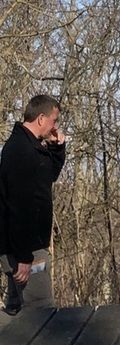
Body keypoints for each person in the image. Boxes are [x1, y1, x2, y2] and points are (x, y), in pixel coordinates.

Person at [0, 94, 66, 314]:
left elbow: (47, 178)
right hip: (27, 249)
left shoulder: (30, 147)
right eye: (53, 120)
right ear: (40, 118)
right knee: (40, 319)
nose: (54, 126)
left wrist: (57, 149)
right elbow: (18, 208)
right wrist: (24, 258)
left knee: (16, 313)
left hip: (22, 247)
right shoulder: (21, 152)